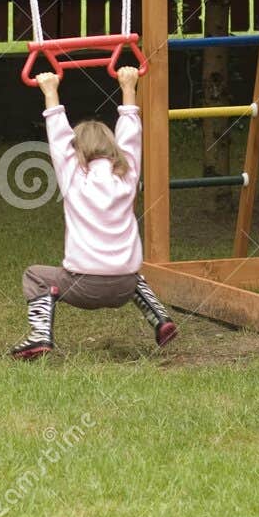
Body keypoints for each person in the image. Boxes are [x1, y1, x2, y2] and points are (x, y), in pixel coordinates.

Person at [11, 65, 177, 359]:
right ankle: (160, 318)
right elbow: (131, 139)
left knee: (35, 275)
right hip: (125, 284)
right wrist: (128, 88)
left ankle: (40, 336)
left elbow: (59, 140)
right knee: (129, 270)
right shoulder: (128, 176)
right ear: (114, 151)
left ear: (77, 155)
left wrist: (50, 92)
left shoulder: (73, 179)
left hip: (84, 287)